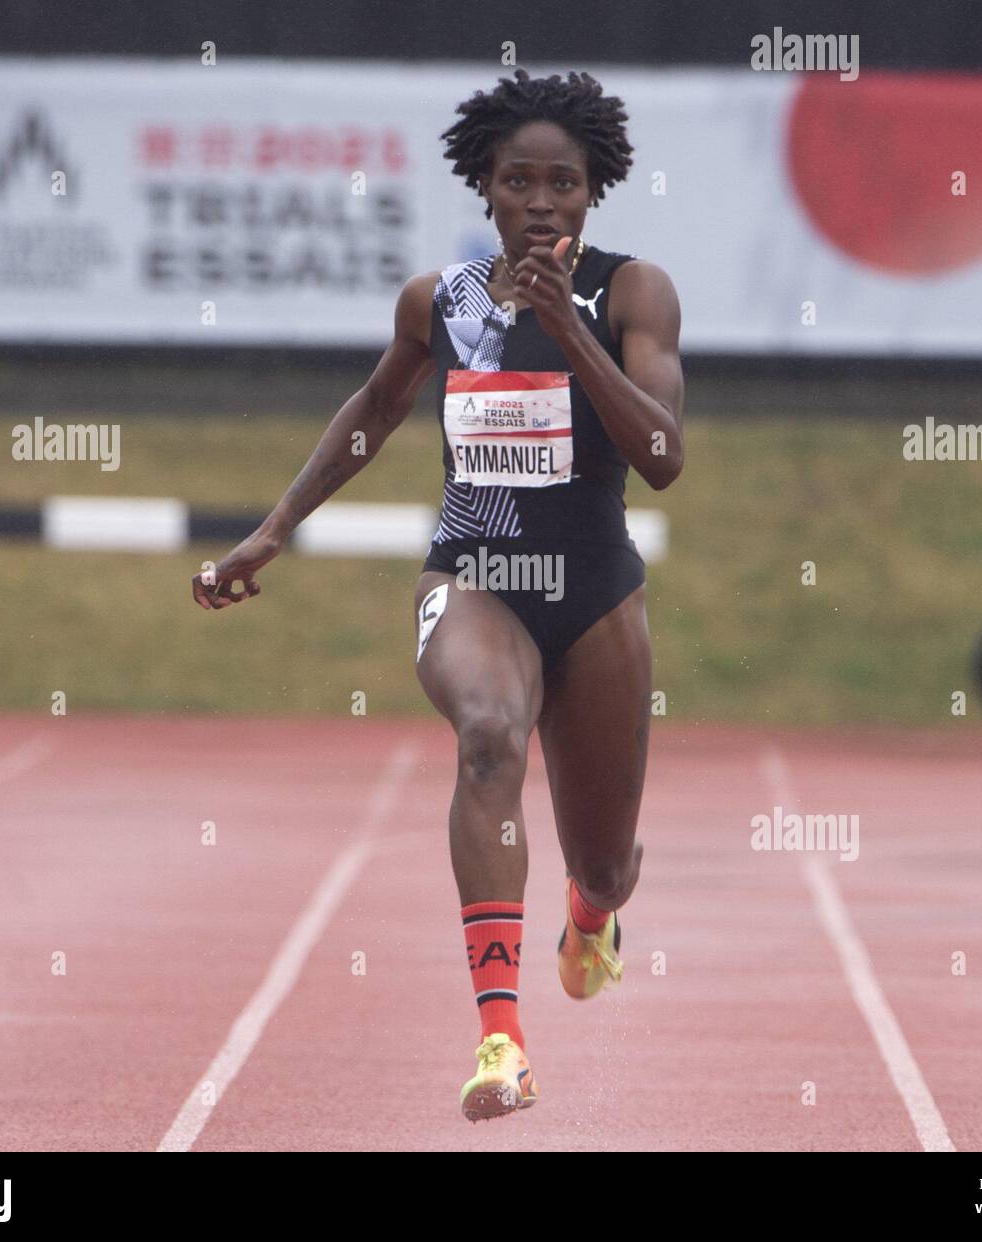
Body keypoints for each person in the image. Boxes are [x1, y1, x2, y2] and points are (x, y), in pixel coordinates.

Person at [193, 68, 684, 1122]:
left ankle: (590, 913)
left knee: (607, 860)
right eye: (520, 182)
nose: (541, 201)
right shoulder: (439, 303)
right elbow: (371, 411)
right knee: (490, 735)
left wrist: (571, 336)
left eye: (563, 182)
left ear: (593, 191)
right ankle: (500, 1041)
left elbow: (662, 456)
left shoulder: (633, 292)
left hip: (593, 588)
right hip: (475, 575)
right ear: (486, 190)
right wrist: (274, 532)